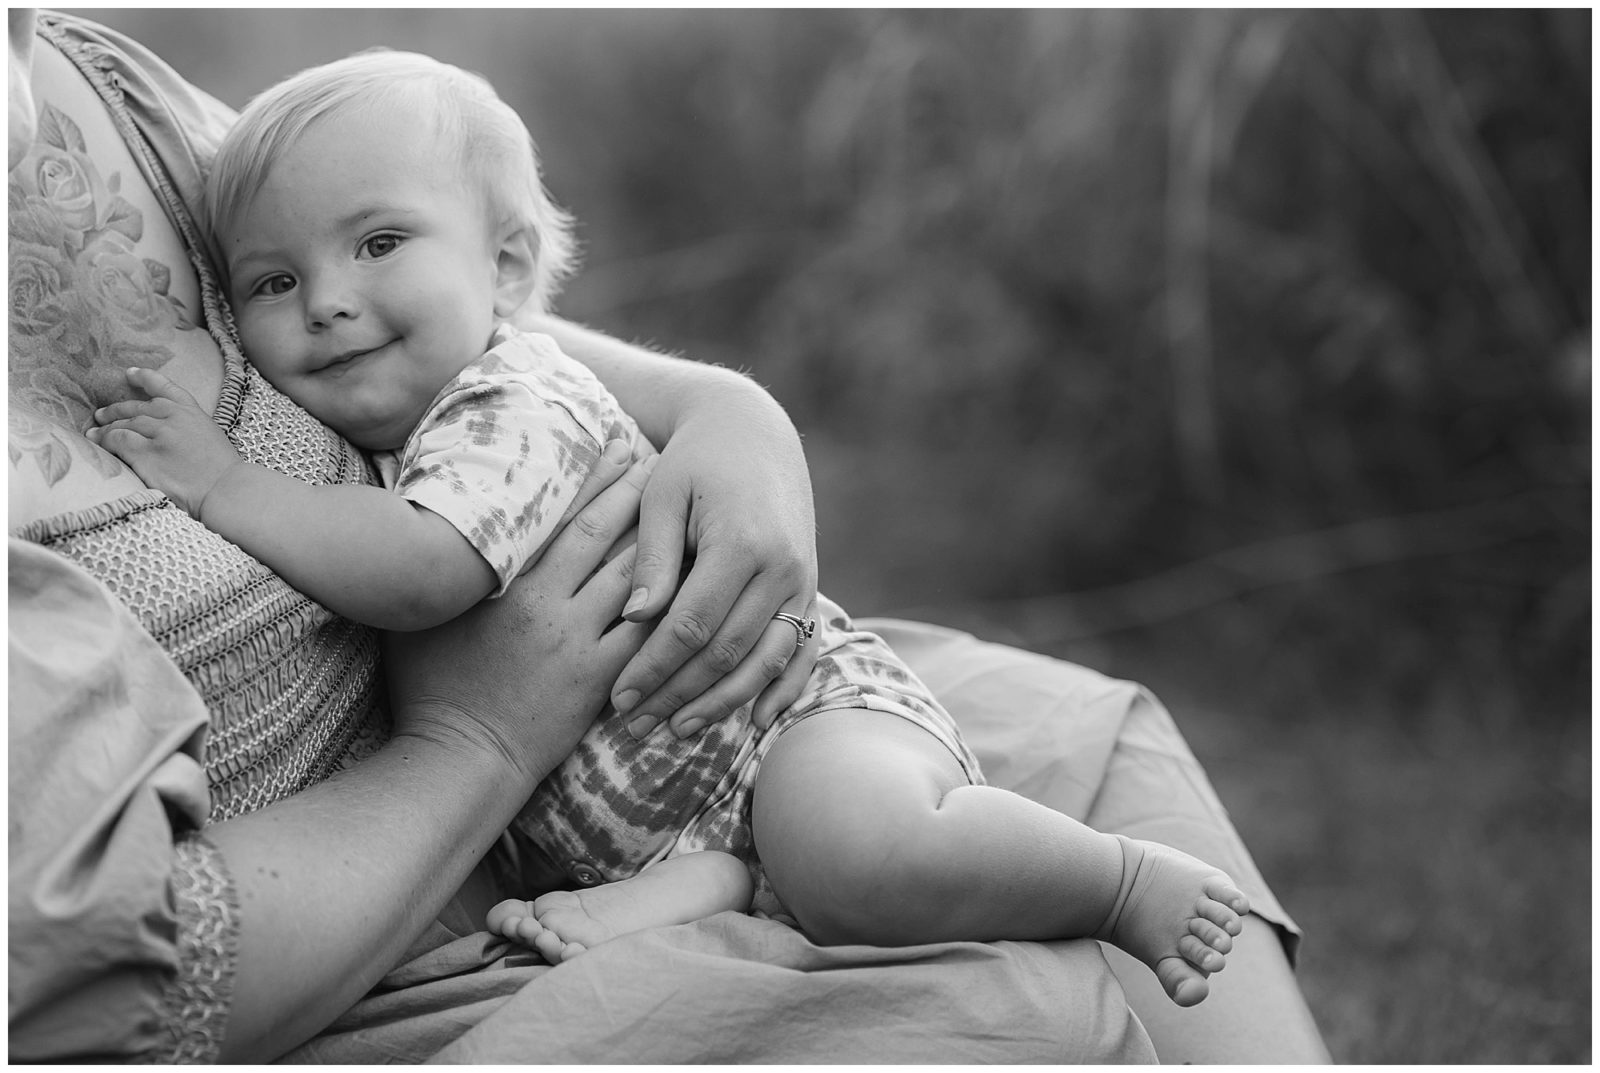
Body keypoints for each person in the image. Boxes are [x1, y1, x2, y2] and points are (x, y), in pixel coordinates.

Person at [9, 8, 1330, 1064]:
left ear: (510, 263)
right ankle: (744, 886)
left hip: (758, 724)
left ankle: (1121, 886)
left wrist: (723, 409)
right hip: (518, 829)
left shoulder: (499, 402)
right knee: (990, 989)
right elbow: (109, 975)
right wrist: (474, 744)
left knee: (891, 836)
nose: (326, 303)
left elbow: (424, 568)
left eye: (378, 247)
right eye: (275, 283)